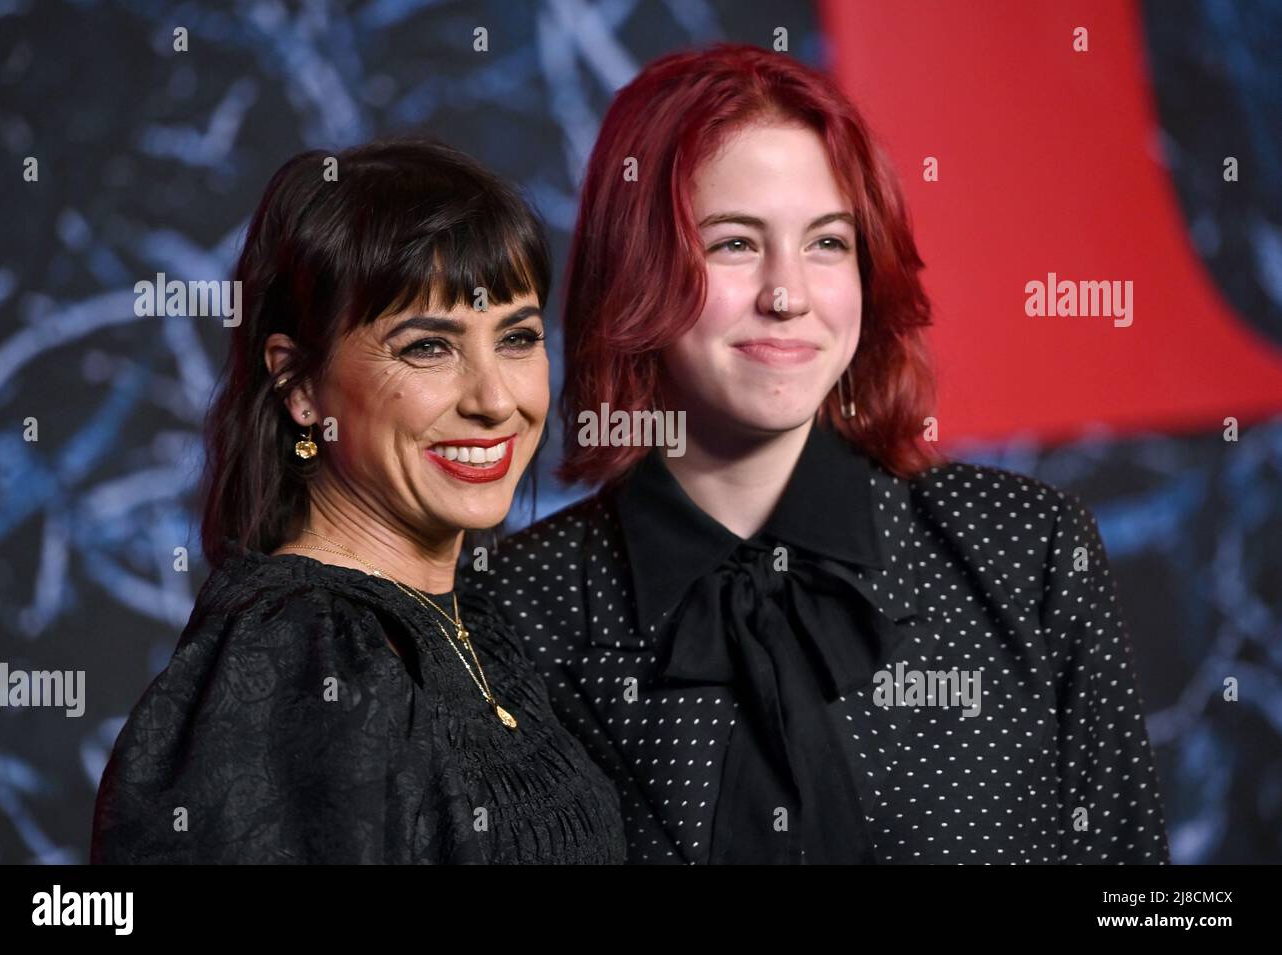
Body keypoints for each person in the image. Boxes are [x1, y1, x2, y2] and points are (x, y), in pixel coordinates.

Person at [469, 44, 1171, 864]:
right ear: (638, 270)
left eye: (827, 243)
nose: (787, 293)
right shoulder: (512, 612)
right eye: (734, 243)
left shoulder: (1028, 548)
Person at [90, 135, 626, 864]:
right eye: (427, 347)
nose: (496, 399)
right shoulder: (302, 658)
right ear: (300, 385)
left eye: (517, 337)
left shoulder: (468, 622)